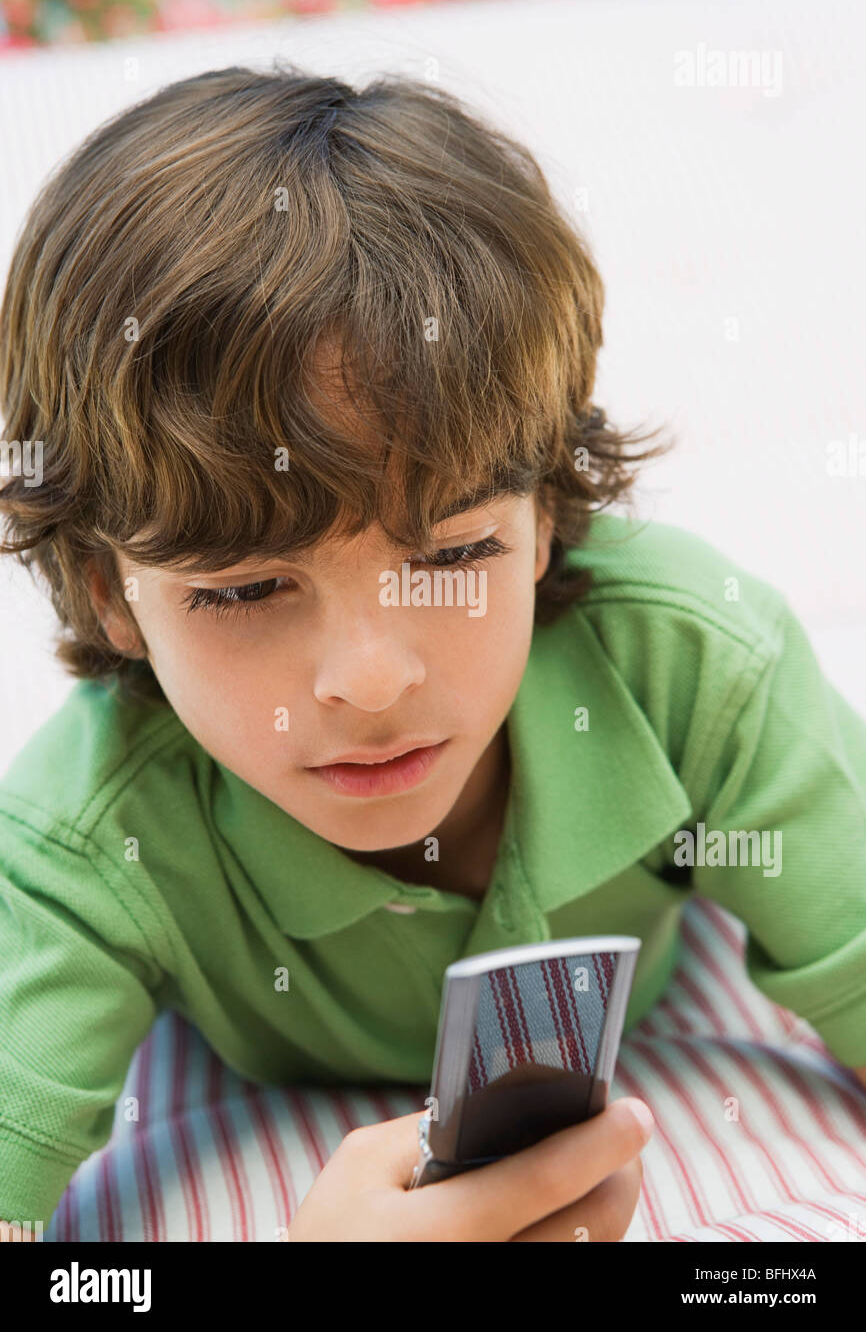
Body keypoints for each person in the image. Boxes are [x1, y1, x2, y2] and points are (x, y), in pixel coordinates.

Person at [1, 63, 863, 1242]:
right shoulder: (90, 840)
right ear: (109, 592)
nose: (369, 676)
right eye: (245, 587)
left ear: (549, 510)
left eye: (453, 556)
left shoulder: (694, 665)